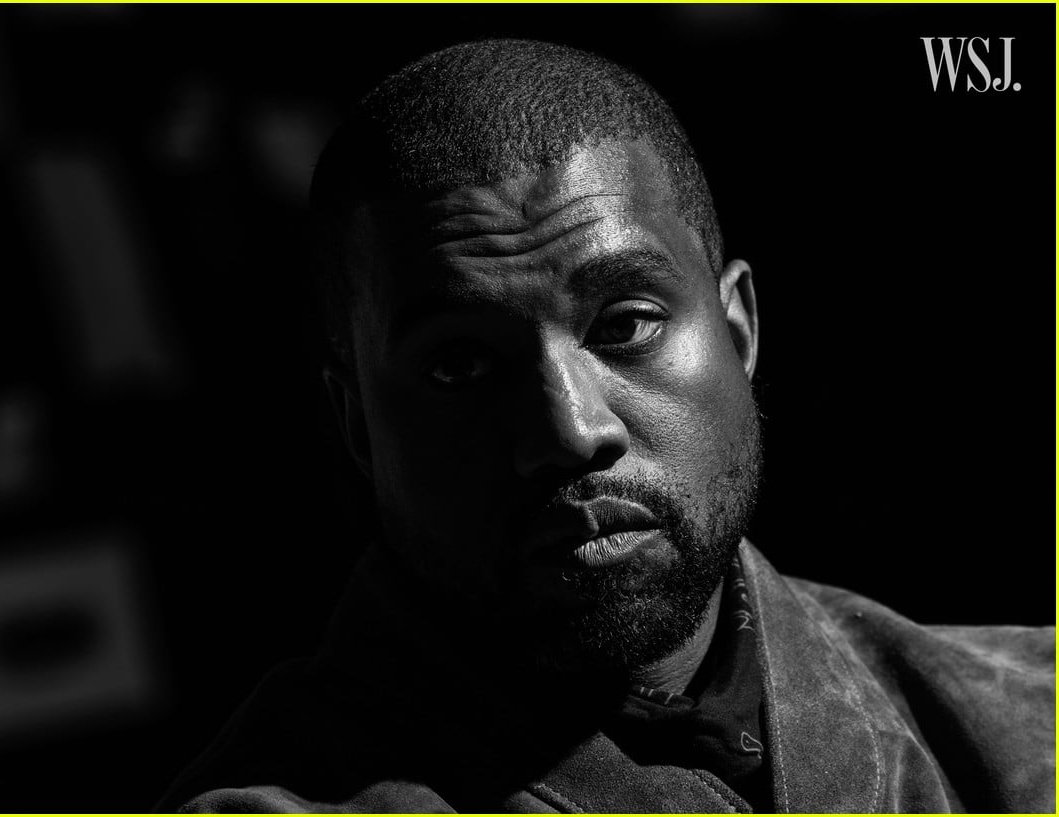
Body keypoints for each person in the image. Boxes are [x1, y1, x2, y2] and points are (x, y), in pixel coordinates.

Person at [158, 39, 1054, 813]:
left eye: (624, 323)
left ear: (739, 331)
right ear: (357, 424)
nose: (571, 429)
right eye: (460, 365)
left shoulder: (1031, 717)